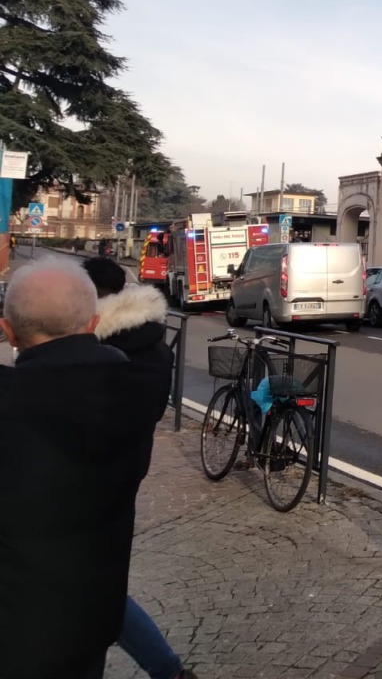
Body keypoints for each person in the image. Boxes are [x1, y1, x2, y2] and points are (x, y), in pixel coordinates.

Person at [0, 257, 161, 679]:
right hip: (89, 625)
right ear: (92, 323)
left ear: (9, 332)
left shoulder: (13, 403)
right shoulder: (132, 399)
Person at [82, 257, 197, 679]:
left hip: (87, 482)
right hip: (125, 474)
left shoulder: (100, 348)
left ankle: (168, 671)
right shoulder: (147, 339)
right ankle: (169, 671)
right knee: (97, 588)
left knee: (91, 589)